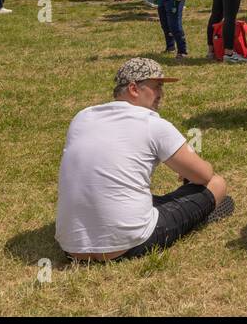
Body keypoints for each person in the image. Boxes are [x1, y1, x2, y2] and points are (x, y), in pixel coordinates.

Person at [55, 58, 233, 261]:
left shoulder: (83, 117)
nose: (161, 95)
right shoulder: (152, 124)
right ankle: (200, 214)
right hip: (126, 244)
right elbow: (204, 175)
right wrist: (192, 170)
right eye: (157, 87)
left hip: (71, 245)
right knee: (217, 184)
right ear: (133, 88)